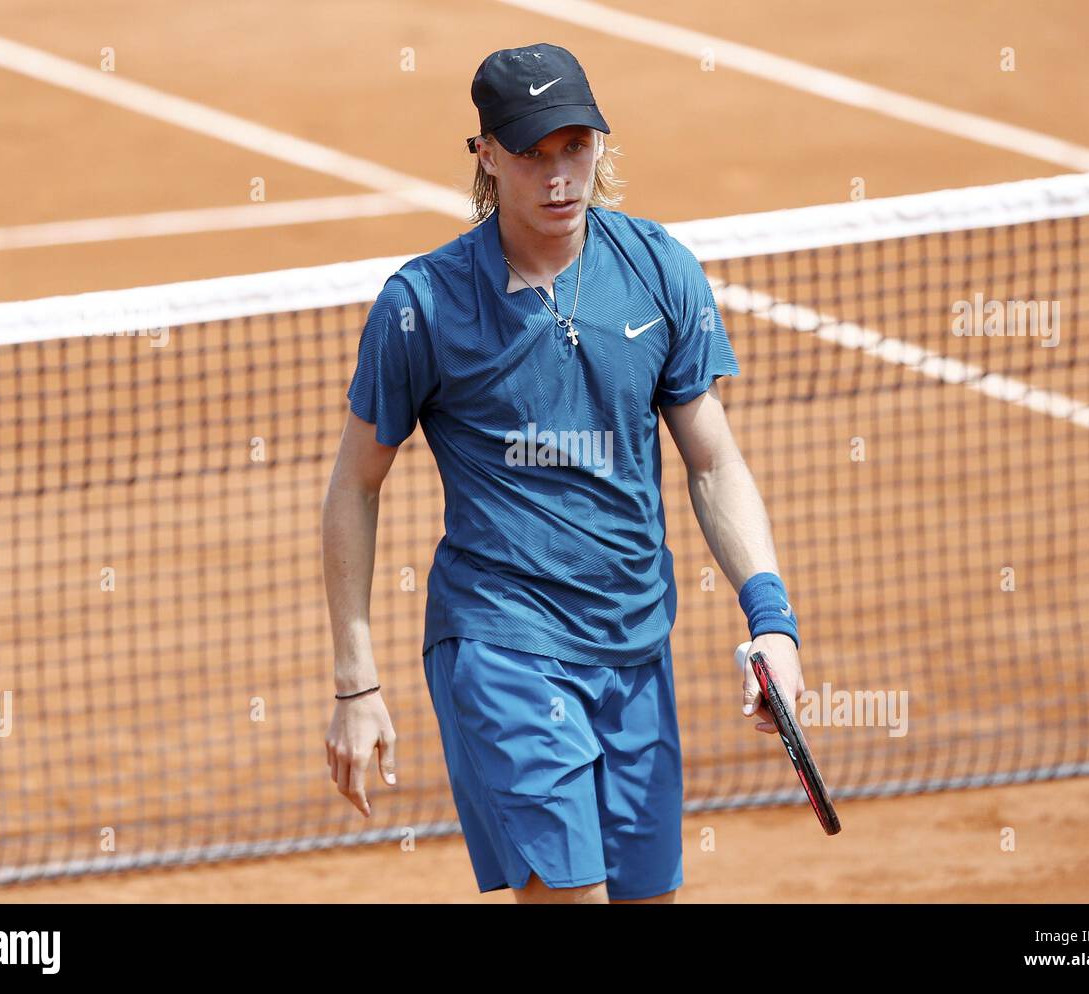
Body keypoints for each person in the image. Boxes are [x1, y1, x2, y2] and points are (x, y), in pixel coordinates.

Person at [322, 42, 803, 905]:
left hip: (634, 645)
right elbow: (355, 484)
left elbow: (713, 460)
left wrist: (772, 623)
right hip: (504, 645)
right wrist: (356, 683)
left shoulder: (659, 270)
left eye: (575, 146)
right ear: (487, 156)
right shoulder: (422, 306)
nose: (558, 175)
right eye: (532, 152)